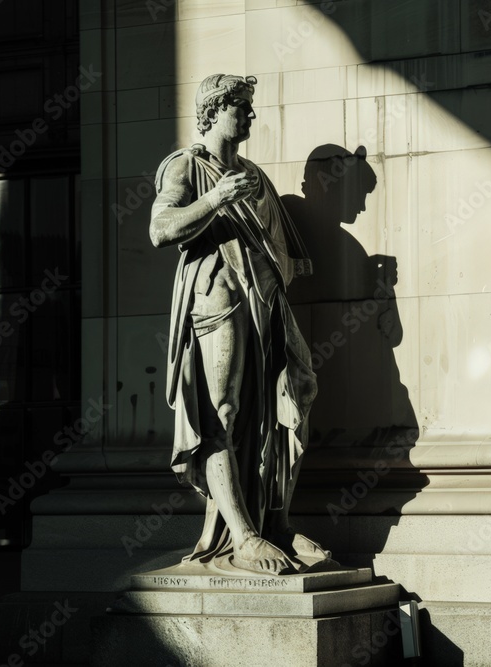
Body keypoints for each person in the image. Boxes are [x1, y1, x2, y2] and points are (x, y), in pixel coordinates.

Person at [149, 73, 335, 575]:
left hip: (268, 305)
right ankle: (244, 535)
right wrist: (215, 199)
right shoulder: (186, 165)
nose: (251, 116)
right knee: (223, 411)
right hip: (218, 298)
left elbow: (285, 255)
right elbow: (160, 229)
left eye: (251, 108)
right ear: (214, 111)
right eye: (242, 107)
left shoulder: (256, 175)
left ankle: (277, 523)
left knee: (295, 396)